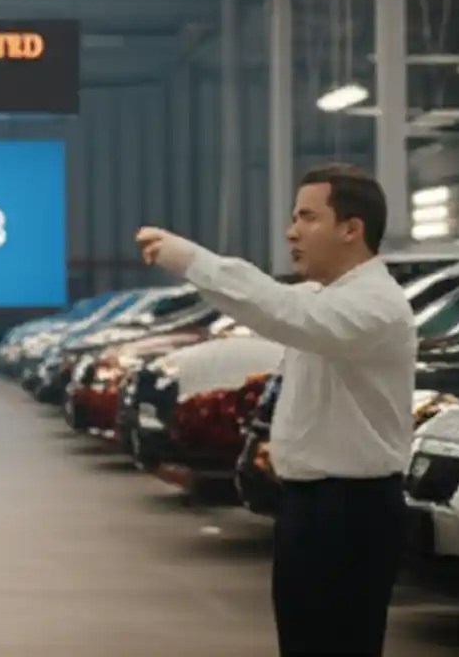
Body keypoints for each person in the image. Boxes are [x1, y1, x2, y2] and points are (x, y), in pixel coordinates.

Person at [135, 163, 415, 657]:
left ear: (351, 229)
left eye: (308, 217)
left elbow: (284, 312)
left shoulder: (376, 305)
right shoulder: (325, 297)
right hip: (313, 506)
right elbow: (268, 305)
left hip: (351, 509)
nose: (292, 232)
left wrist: (189, 258)